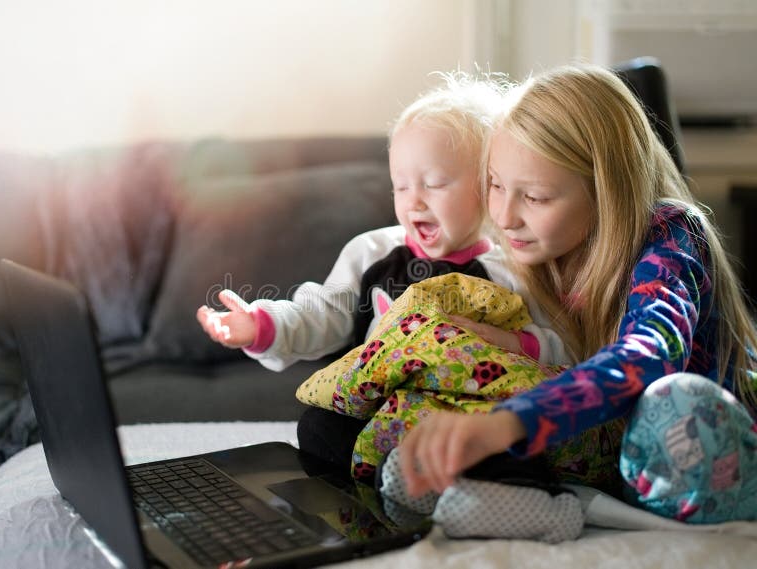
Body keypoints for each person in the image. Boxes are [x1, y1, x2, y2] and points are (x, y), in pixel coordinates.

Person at [396, 63, 757, 524]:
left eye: (537, 197)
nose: (504, 216)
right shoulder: (538, 245)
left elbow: (649, 355)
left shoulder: (672, 234)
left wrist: (509, 422)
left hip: (714, 442)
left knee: (675, 402)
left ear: (606, 191)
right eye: (495, 184)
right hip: (616, 453)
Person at [196, 72, 569, 472]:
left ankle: (439, 489)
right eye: (401, 186)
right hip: (375, 408)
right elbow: (322, 314)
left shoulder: (512, 268)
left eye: (435, 184)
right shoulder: (370, 252)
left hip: (460, 414)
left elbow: (560, 350)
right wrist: (261, 324)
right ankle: (394, 489)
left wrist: (515, 343)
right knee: (318, 429)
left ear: (487, 185)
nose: (415, 202)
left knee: (515, 446)